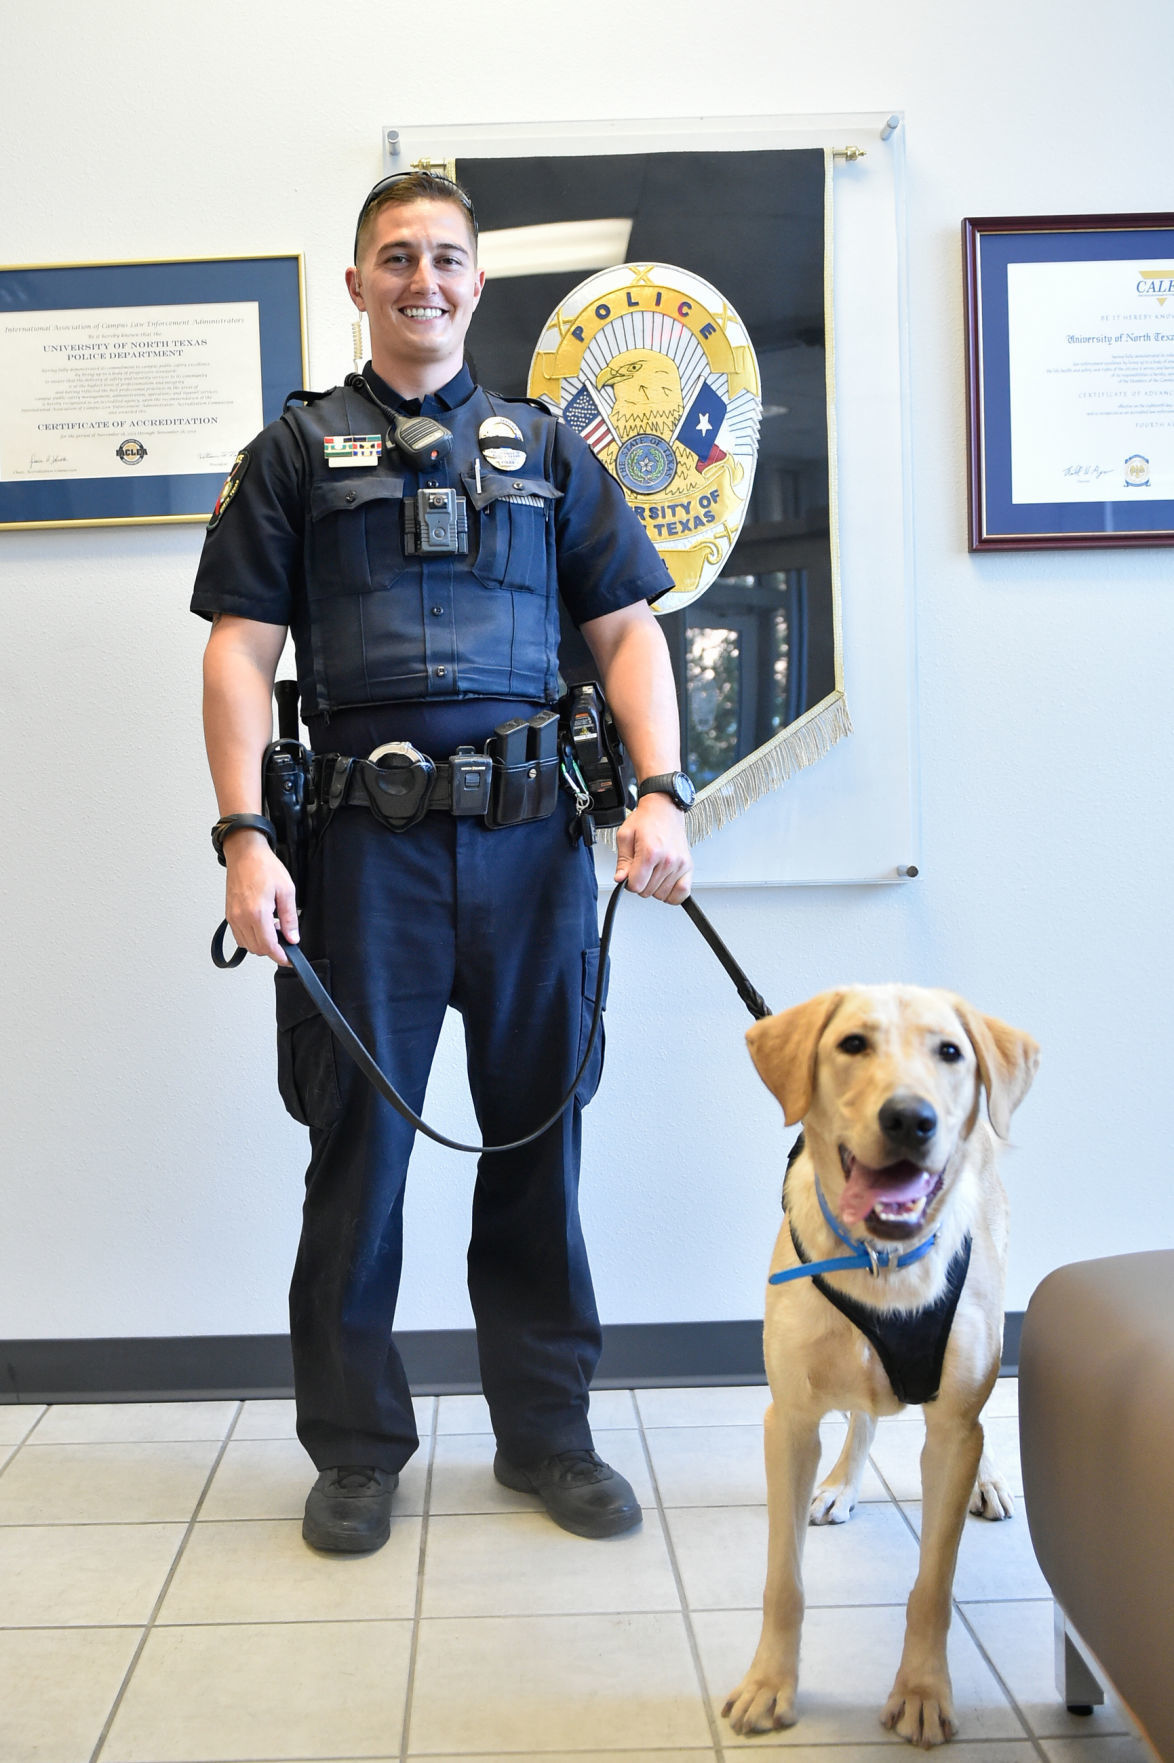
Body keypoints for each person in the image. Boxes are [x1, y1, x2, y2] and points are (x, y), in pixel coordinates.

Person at [192, 170, 693, 1554]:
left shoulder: (550, 450)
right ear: (357, 282)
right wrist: (243, 836)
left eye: (448, 258)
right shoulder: (294, 453)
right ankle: (356, 1452)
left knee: (537, 1144)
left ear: (478, 282)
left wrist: (660, 791)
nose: (425, 279)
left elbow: (628, 631)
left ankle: (547, 1438)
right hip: (363, 858)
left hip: (532, 854)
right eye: (398, 257)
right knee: (358, 1159)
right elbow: (239, 652)